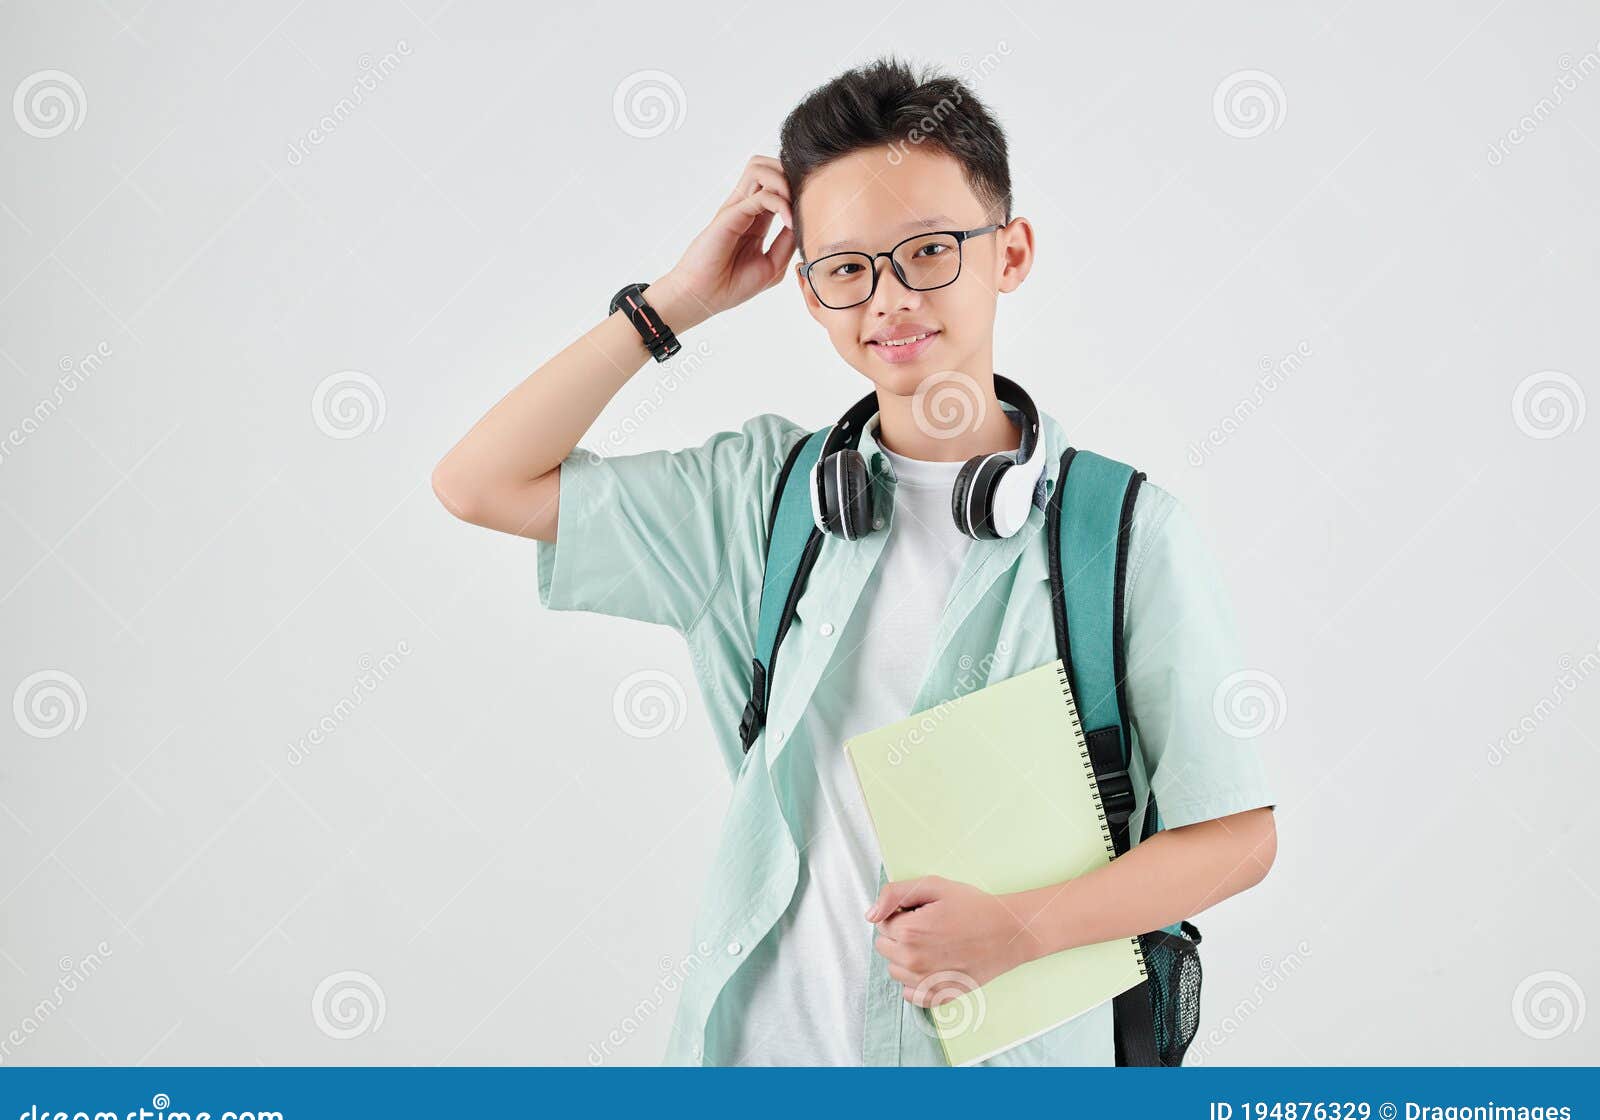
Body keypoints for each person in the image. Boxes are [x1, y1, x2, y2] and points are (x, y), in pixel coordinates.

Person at [431, 55, 1276, 1066]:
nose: (889, 298)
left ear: (1010, 254)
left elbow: (1237, 836)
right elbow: (480, 483)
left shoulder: (1125, 532)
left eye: (929, 251)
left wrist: (1018, 930)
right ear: (810, 293)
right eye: (846, 267)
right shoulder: (758, 500)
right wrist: (673, 305)